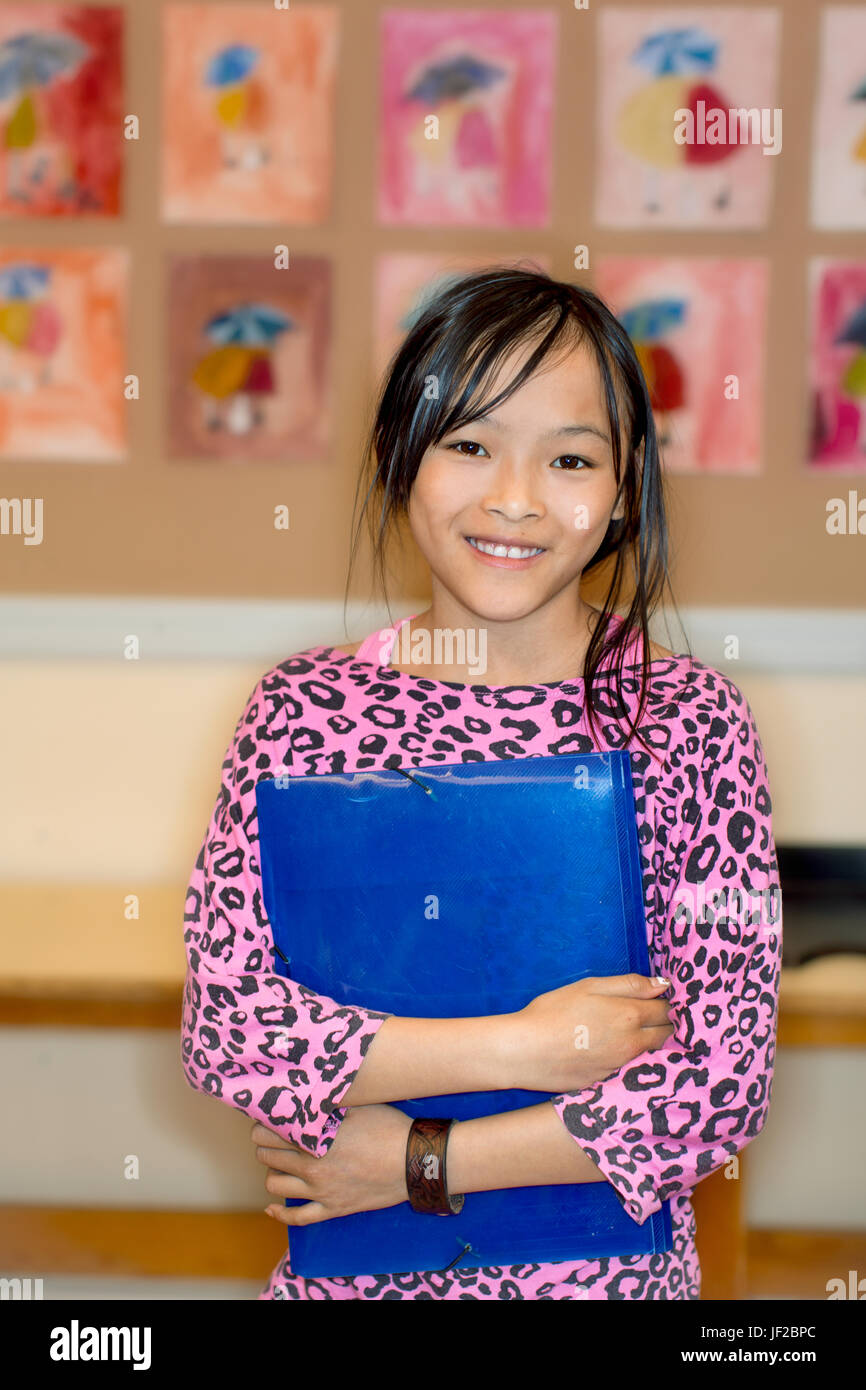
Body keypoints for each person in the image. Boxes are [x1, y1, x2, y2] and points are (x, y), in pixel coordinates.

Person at [181, 265, 782, 1300]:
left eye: (568, 458)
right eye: (468, 444)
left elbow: (714, 1086)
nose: (514, 499)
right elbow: (232, 1030)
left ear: (624, 482)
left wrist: (416, 1164)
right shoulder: (301, 713)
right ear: (399, 457)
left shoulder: (689, 720)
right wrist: (530, 1046)